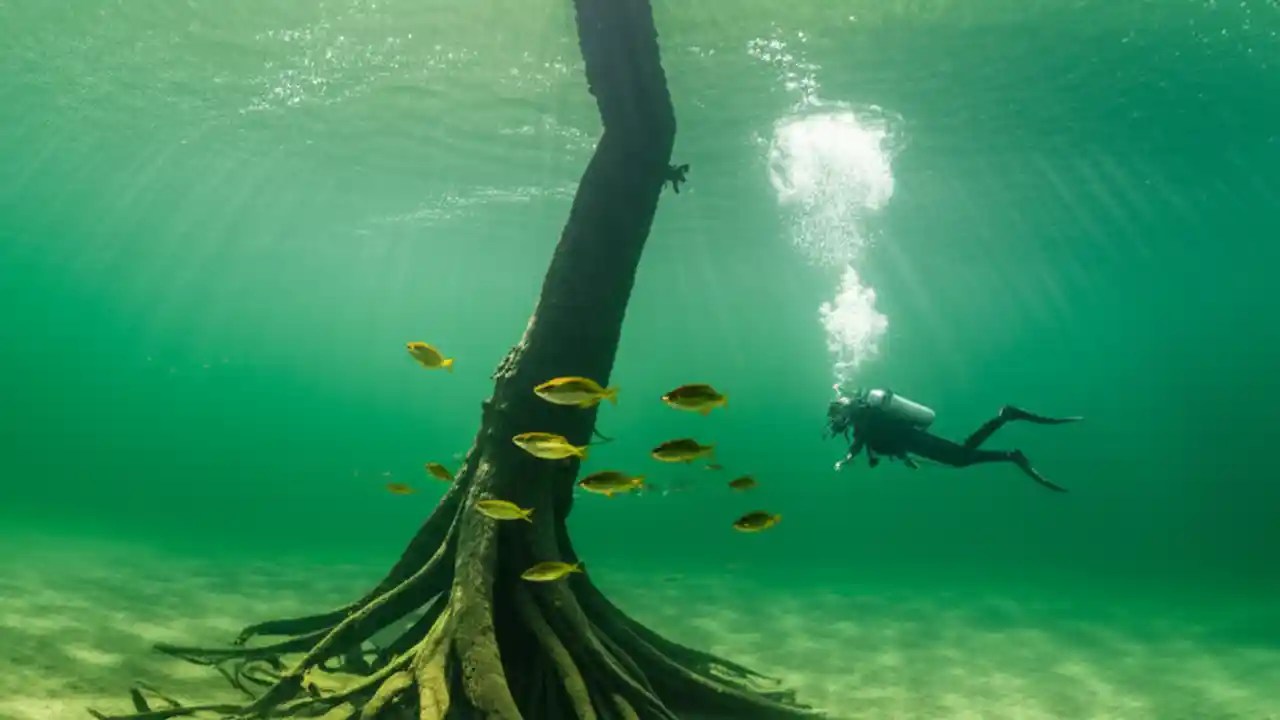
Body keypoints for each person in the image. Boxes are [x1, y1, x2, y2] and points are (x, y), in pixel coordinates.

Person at [825, 387, 1081, 492]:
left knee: (960, 457)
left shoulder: (863, 420)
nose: (836, 424)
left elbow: (863, 444)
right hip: (915, 442)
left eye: (836, 418)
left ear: (843, 411)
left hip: (917, 441)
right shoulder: (865, 420)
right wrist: (906, 460)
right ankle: (1009, 448)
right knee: (961, 457)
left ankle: (1006, 423)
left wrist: (844, 461)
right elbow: (881, 442)